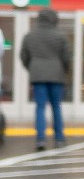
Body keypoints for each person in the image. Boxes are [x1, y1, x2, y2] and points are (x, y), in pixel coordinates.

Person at [19, 9, 70, 150]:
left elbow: (23, 55)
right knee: (56, 107)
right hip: (56, 75)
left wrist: (32, 68)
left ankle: (40, 139)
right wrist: (63, 70)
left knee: (40, 107)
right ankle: (59, 138)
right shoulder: (60, 37)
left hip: (38, 76)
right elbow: (66, 57)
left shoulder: (30, 36)